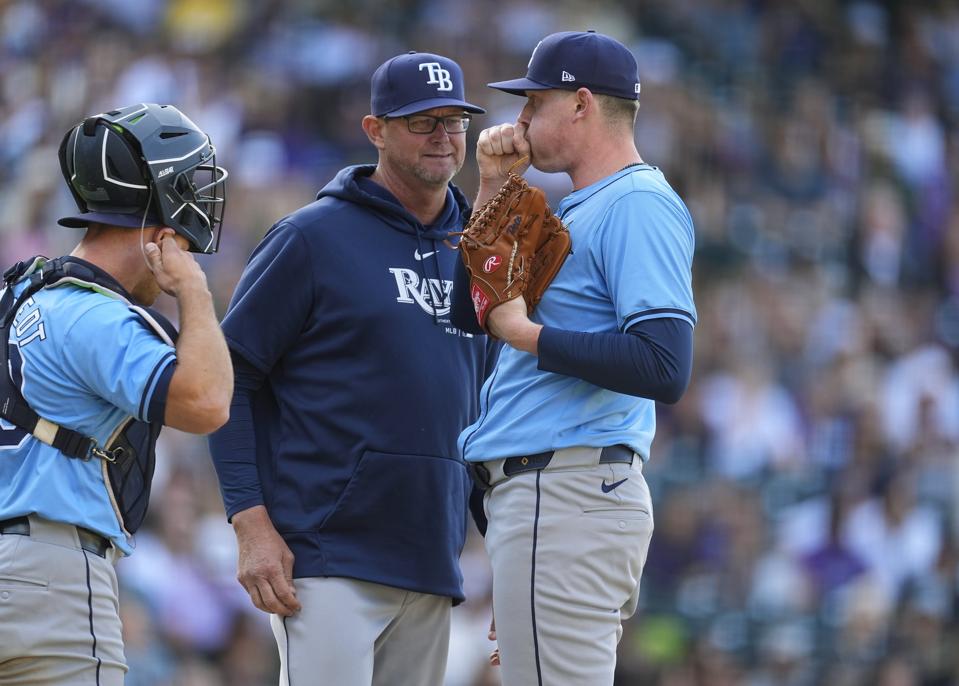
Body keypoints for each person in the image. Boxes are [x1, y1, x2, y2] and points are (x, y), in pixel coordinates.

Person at [208, 51, 496, 686]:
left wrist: (499, 552)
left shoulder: (480, 247)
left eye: (455, 121)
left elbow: (485, 409)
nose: (443, 137)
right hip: (327, 551)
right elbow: (227, 379)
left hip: (431, 557)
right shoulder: (311, 238)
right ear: (376, 131)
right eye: (423, 122)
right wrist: (250, 525)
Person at [452, 31, 697, 685]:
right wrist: (493, 191)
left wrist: (528, 334)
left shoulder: (635, 202)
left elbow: (663, 364)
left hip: (561, 496)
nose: (522, 119)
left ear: (582, 104)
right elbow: (467, 313)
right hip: (551, 498)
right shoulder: (579, 206)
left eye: (535, 102)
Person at [0, 103, 231, 684]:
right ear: (161, 227)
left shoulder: (20, 295)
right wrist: (195, 293)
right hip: (48, 575)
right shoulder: (95, 316)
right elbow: (207, 402)